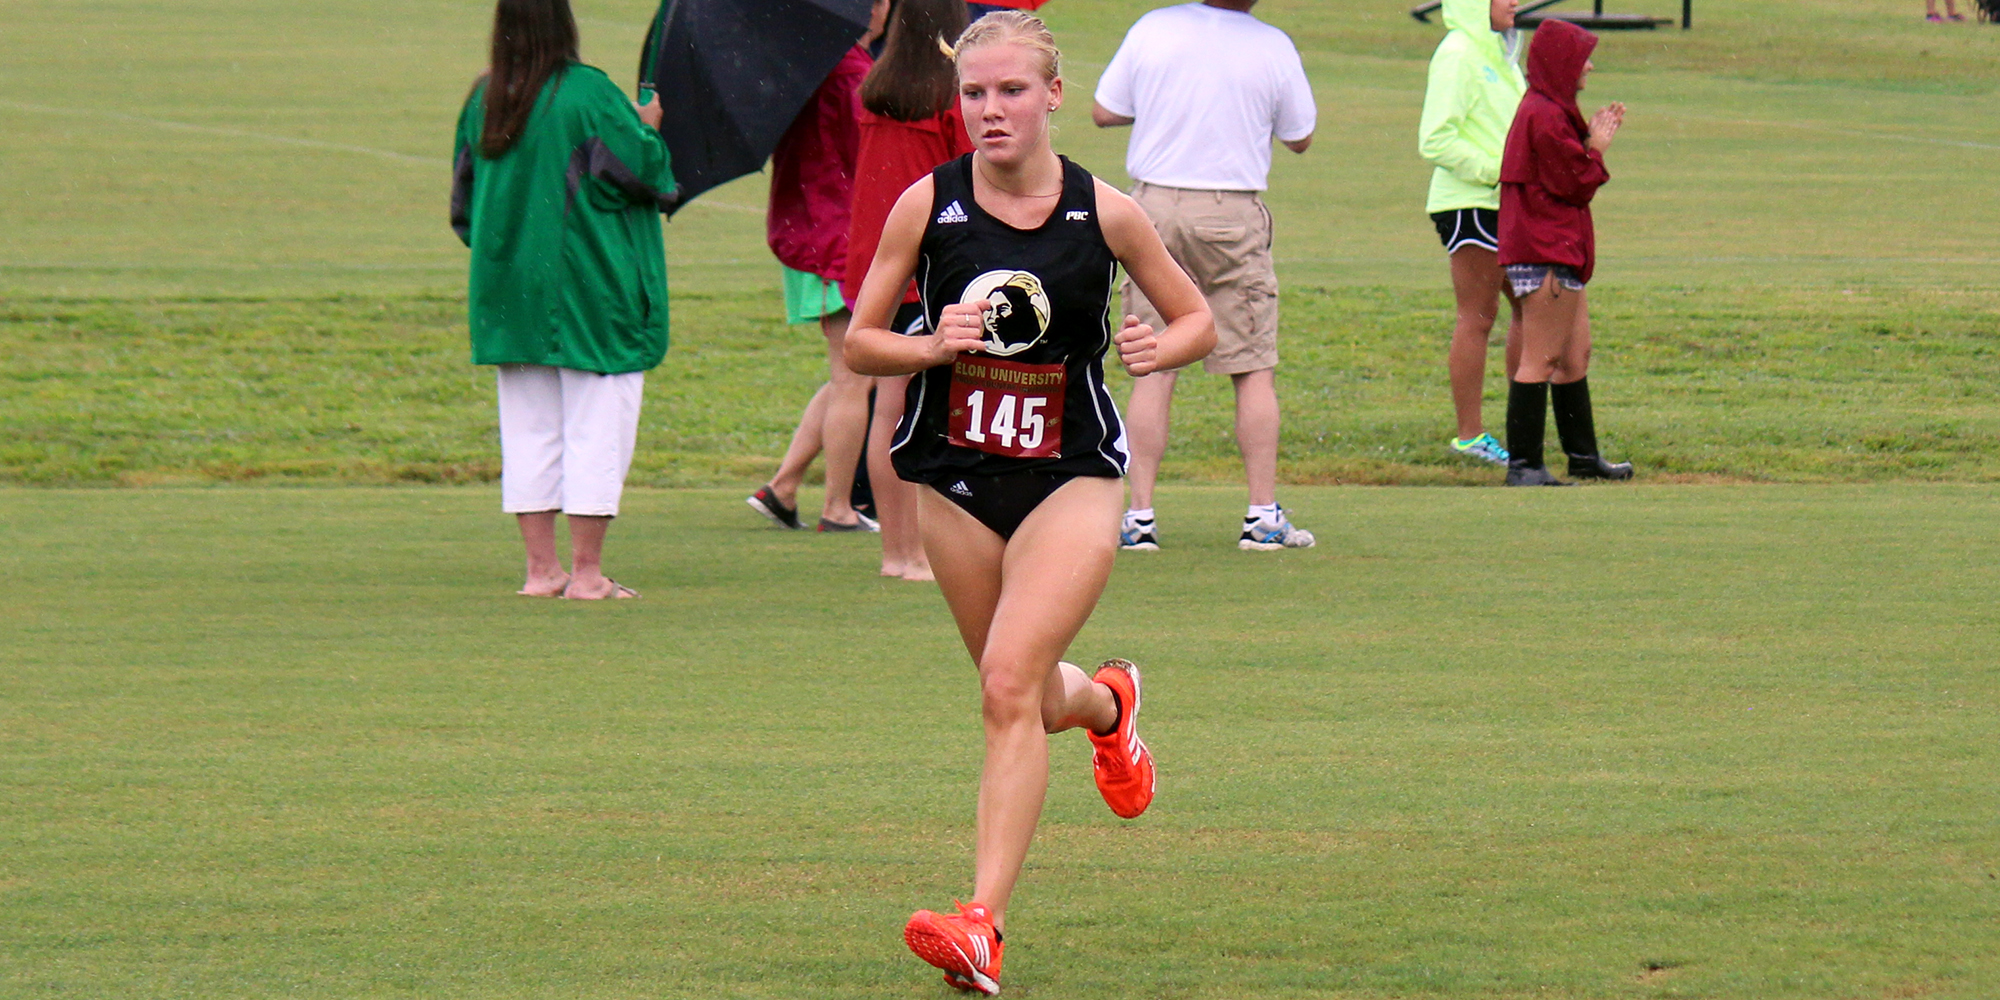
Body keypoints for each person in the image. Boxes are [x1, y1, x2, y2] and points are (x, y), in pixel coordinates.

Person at [843, 12, 1215, 994]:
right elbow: (862, 341)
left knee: (1006, 685)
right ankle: (1107, 704)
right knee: (1033, 697)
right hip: (956, 484)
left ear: (1053, 95)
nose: (990, 110)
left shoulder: (1107, 213)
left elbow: (1197, 319)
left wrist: (1159, 347)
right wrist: (931, 344)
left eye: (1011, 90)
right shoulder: (926, 204)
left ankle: (982, 926)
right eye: (973, 93)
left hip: (1070, 478)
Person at [450, 0, 673, 599]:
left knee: (529, 432)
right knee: (597, 428)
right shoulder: (588, 94)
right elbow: (645, 173)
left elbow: (465, 207)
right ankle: (588, 573)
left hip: (509, 293)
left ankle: (541, 570)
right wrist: (647, 126)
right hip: (591, 291)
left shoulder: (484, 98)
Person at [1091, 0, 1317, 552]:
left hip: (1152, 208)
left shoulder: (1154, 27)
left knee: (1153, 363)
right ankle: (1261, 515)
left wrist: (1167, 104)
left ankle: (1138, 516)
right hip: (1230, 209)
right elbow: (1300, 135)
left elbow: (1105, 110)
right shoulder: (1271, 45)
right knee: (1253, 366)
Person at [745, 0, 888, 534]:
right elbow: (869, 157)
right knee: (855, 377)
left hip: (809, 230)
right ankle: (837, 507)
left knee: (847, 374)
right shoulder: (852, 75)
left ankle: (784, 487)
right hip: (836, 238)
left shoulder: (808, 66)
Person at [845, 0, 976, 581]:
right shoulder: (949, 97)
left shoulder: (880, 89)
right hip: (925, 267)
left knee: (888, 410)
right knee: (913, 413)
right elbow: (971, 176)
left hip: (877, 261)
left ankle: (897, 550)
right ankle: (914, 552)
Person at [1496, 18, 1633, 486]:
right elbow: (1574, 183)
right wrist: (1596, 149)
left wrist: (1589, 143)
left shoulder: (1548, 110)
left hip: (1556, 248)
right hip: (1546, 250)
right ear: (1561, 64)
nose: (1589, 67)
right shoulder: (1546, 115)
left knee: (1575, 355)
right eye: (1582, 59)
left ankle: (1582, 456)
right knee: (1540, 358)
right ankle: (1525, 465)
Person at [1419, 0, 1525, 468]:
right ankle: (1470, 436)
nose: (1515, 1)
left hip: (1509, 203)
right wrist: (1497, 171)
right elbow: (1435, 139)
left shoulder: (1499, 53)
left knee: (1531, 310)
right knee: (1478, 316)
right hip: (1470, 202)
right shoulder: (1458, 52)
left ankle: (1524, 432)